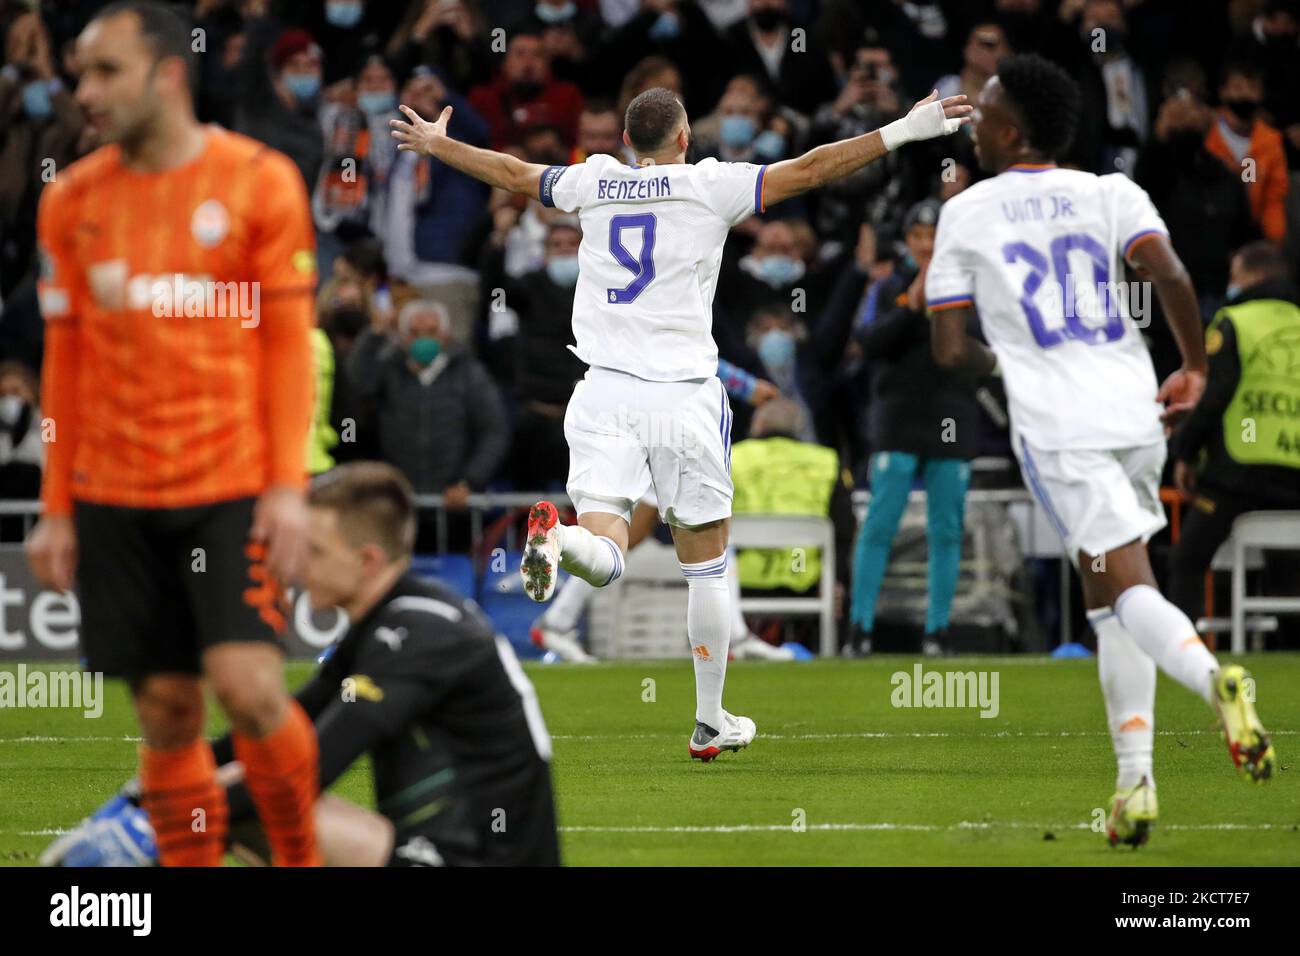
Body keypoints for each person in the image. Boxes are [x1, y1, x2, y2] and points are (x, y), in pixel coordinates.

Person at [390, 81, 970, 761]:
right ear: (685, 137)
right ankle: (708, 718)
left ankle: (562, 542)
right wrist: (903, 129)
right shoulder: (710, 185)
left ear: (626, 142)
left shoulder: (594, 181)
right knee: (706, 564)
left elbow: (513, 174)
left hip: (601, 392)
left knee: (605, 555)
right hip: (683, 396)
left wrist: (437, 143)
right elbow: (811, 168)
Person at [928, 53, 1275, 849]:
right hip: (1135, 409)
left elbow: (949, 349)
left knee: (1129, 590)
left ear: (1009, 130)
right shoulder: (1110, 190)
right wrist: (1192, 367)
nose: (973, 124)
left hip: (1060, 424)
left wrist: (1007, 358)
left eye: (981, 112)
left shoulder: (969, 210)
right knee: (1110, 601)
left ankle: (1213, 677)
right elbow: (1175, 274)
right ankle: (1135, 788)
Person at [26, 1, 320, 867]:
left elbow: (286, 351)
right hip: (113, 492)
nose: (85, 91)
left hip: (228, 486)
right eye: (79, 72)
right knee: (164, 709)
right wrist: (57, 507)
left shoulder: (261, 181)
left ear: (167, 73)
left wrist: (286, 489)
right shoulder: (71, 202)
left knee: (250, 688)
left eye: (106, 70)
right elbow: (64, 364)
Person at [43, 462, 561, 868]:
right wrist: (141, 795)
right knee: (245, 796)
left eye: (313, 550)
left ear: (368, 562)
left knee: (266, 803)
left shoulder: (419, 633)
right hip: (437, 850)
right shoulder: (393, 623)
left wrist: (157, 822)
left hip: (480, 860)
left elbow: (310, 764)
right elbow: (281, 727)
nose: (293, 565)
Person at [841, 198, 981, 658]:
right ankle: (859, 630)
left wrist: (940, 303)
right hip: (897, 419)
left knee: (946, 529)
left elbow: (977, 347)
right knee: (879, 525)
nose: (926, 244)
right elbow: (869, 342)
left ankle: (937, 632)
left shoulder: (967, 287)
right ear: (907, 241)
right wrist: (910, 304)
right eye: (918, 236)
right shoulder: (889, 287)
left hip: (951, 418)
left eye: (933, 235)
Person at [1168, 241, 1300, 622]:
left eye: (1234, 276)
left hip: (1241, 474)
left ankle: (1185, 651)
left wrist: (1185, 452)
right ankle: (1285, 658)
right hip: (1294, 476)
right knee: (1288, 576)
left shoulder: (1236, 322)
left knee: (1188, 560)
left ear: (1251, 275)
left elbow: (1215, 397)